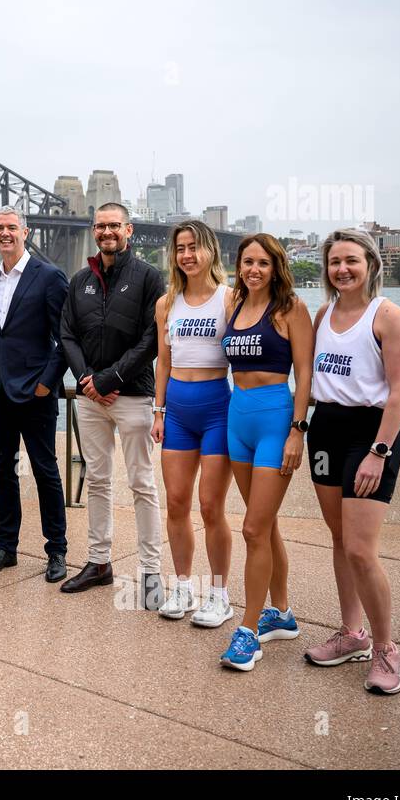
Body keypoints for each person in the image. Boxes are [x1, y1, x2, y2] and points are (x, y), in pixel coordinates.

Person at [305, 229, 400, 694]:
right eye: (334, 262)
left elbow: (399, 391)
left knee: (361, 549)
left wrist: (379, 452)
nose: (342, 269)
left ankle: (387, 649)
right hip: (326, 428)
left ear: (370, 263)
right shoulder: (323, 313)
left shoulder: (387, 316)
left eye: (351, 260)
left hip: (369, 437)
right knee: (338, 537)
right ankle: (353, 635)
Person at [59, 202, 166, 607]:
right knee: (98, 482)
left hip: (133, 394)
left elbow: (151, 339)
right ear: (93, 230)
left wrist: (110, 378)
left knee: (142, 483)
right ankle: (98, 563)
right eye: (101, 226)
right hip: (90, 399)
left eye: (114, 226)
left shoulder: (148, 277)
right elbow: (66, 333)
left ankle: (151, 573)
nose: (107, 232)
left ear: (129, 230)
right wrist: (88, 380)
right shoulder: (80, 280)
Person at [218, 233, 314, 671]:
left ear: (276, 267)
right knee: (267, 524)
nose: (254, 269)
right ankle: (283, 613)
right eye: (247, 262)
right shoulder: (233, 304)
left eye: (263, 263)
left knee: (253, 530)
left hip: (276, 418)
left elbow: (306, 375)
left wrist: (298, 431)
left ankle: (249, 630)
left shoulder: (291, 309)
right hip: (238, 418)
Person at [0, 205, 70, 582]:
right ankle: (6, 546)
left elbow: (64, 338)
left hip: (35, 393)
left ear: (25, 232)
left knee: (46, 471)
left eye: (11, 227)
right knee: (2, 472)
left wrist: (47, 383)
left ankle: (57, 550)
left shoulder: (48, 277)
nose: (5, 234)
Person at [149, 221, 235, 627]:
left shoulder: (229, 299)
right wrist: (159, 411)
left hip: (218, 407)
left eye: (194, 247)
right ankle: (183, 585)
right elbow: (163, 362)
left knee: (210, 506)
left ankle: (219, 594)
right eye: (180, 248)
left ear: (210, 251)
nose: (187, 255)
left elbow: (246, 356)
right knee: (178, 502)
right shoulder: (167, 303)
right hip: (179, 411)